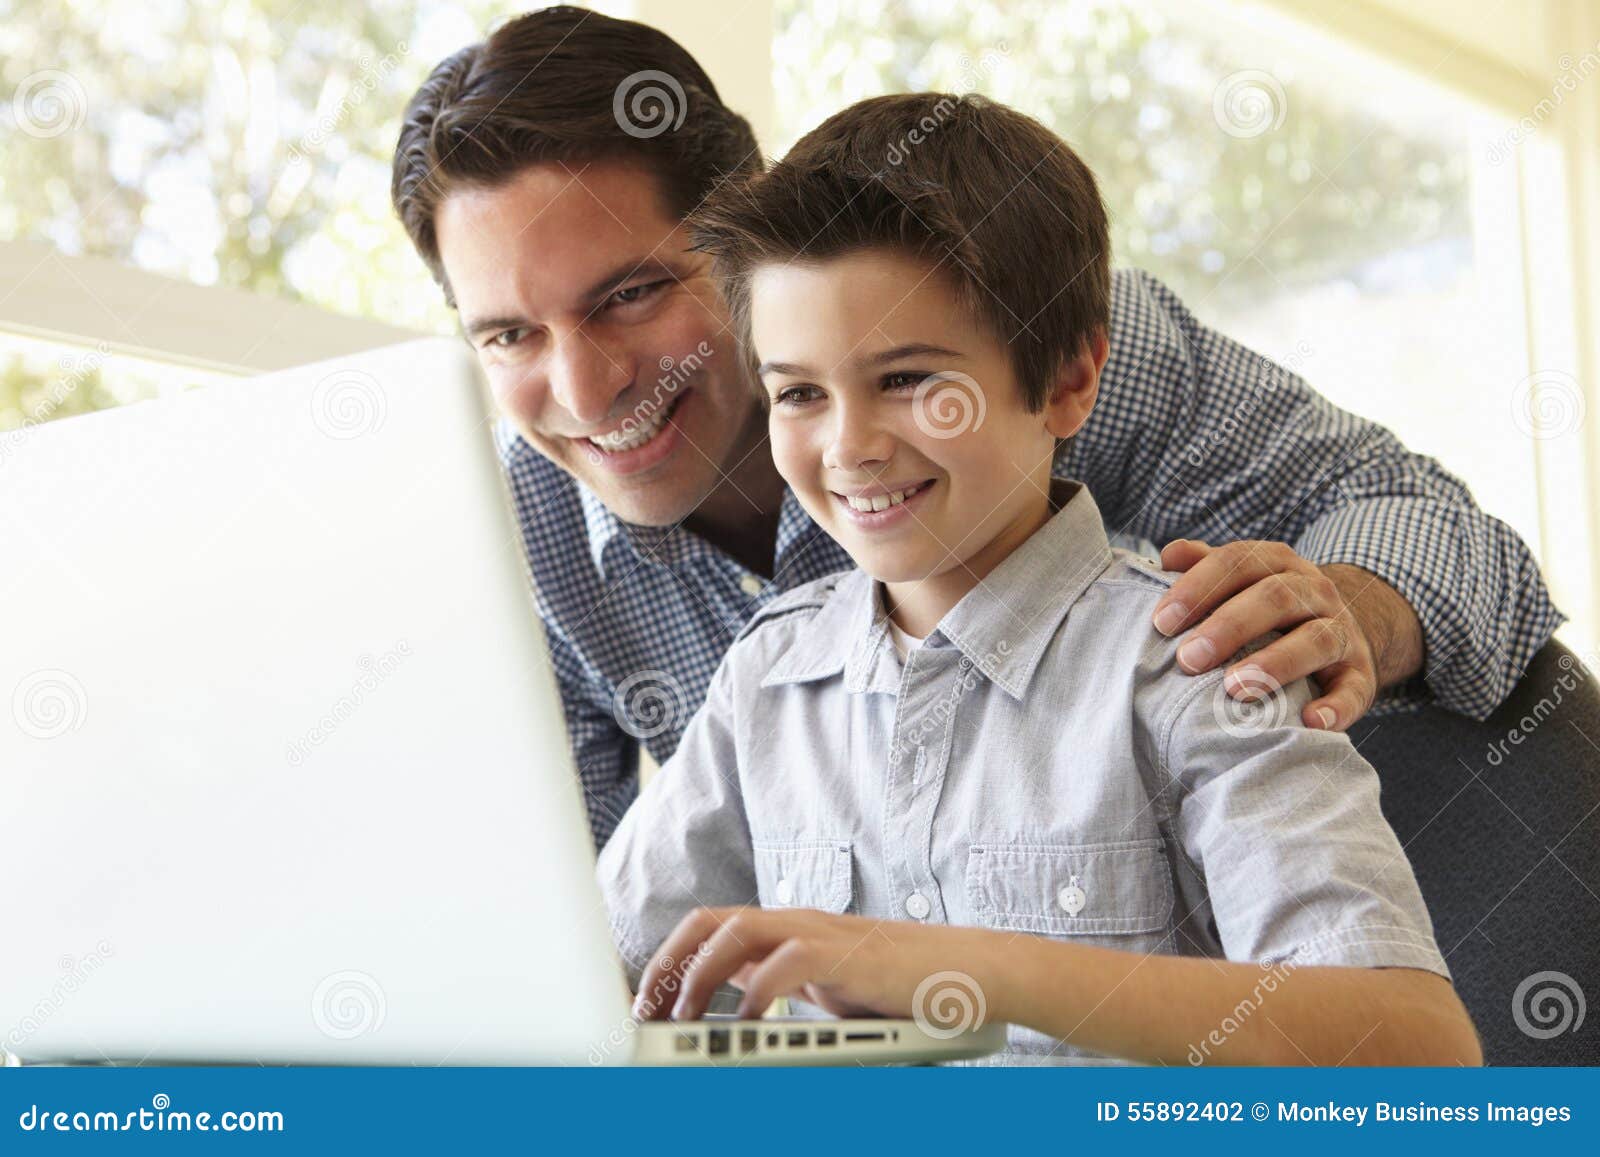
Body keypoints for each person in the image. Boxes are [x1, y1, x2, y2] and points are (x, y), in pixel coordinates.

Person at [390, 7, 1561, 849]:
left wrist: (1349, 605)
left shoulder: (1026, 340)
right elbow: (540, 907)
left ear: (743, 238)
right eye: (508, 336)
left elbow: (1465, 547)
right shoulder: (520, 534)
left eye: (629, 295)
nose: (586, 391)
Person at [596, 90, 1481, 1066]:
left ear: (1067, 381)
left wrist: (962, 967)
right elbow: (597, 975)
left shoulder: (1198, 664)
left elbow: (1416, 1049)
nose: (846, 446)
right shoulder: (765, 677)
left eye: (905, 379)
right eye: (799, 392)